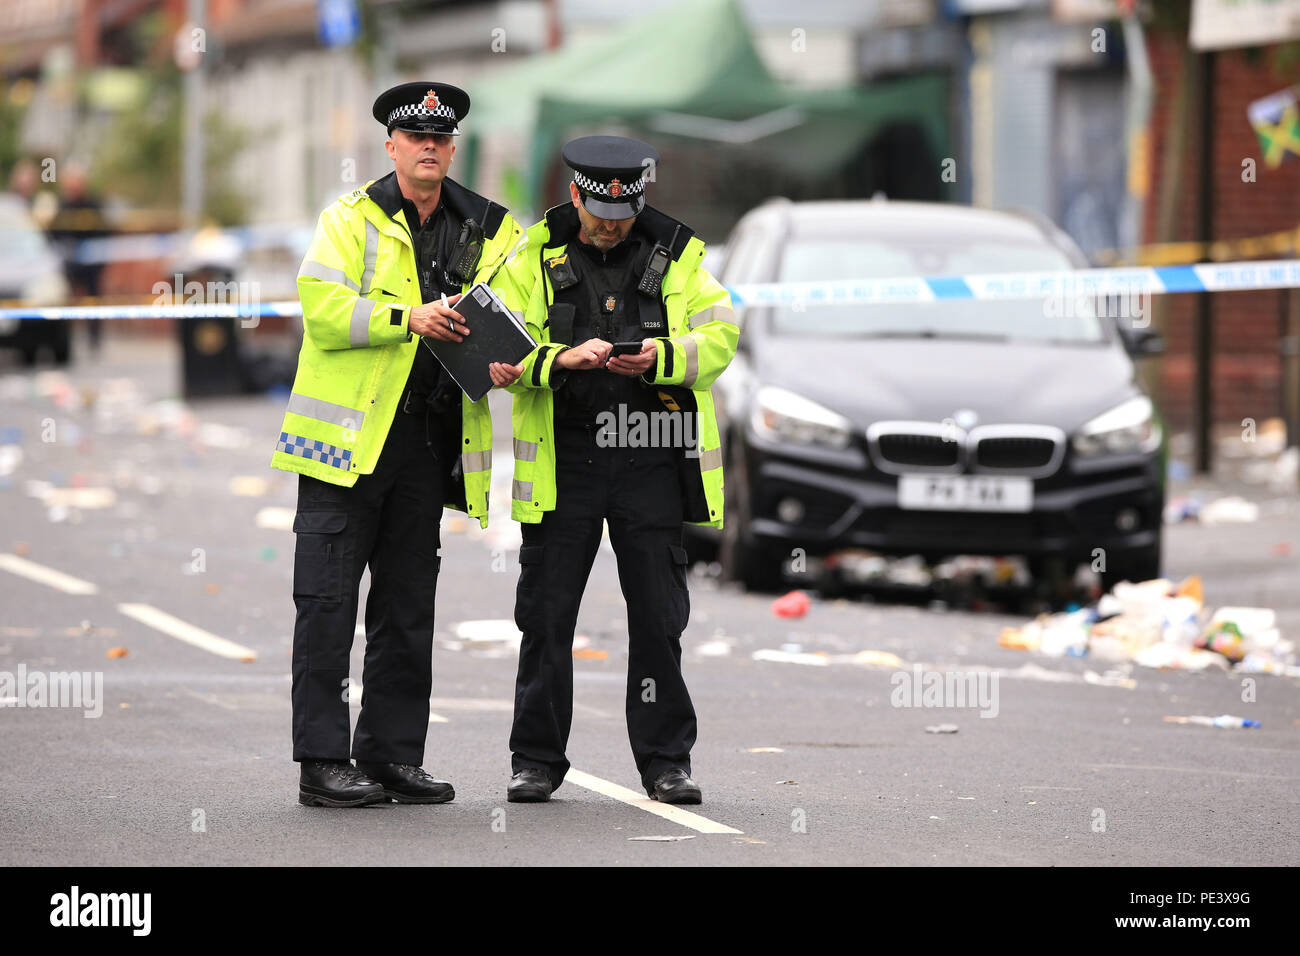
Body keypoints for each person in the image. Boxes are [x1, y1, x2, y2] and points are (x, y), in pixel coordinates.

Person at [273, 82, 523, 808]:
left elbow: (512, 313)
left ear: (453, 148)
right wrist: (404, 317)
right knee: (326, 602)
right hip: (343, 444)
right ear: (391, 146)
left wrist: (505, 359)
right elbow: (321, 312)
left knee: (408, 606)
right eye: (416, 138)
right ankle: (323, 762)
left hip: (428, 439)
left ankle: (390, 756)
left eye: (441, 140)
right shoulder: (351, 219)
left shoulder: (488, 227)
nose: (429, 149)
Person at [497, 135, 739, 804]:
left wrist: (660, 359)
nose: (611, 229)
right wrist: (560, 361)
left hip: (650, 451)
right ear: (575, 196)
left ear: (640, 201)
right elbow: (500, 350)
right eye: (600, 217)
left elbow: (719, 337)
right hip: (564, 455)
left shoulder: (680, 254)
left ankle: (667, 761)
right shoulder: (530, 255)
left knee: (659, 617)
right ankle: (536, 759)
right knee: (546, 614)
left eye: (623, 218)